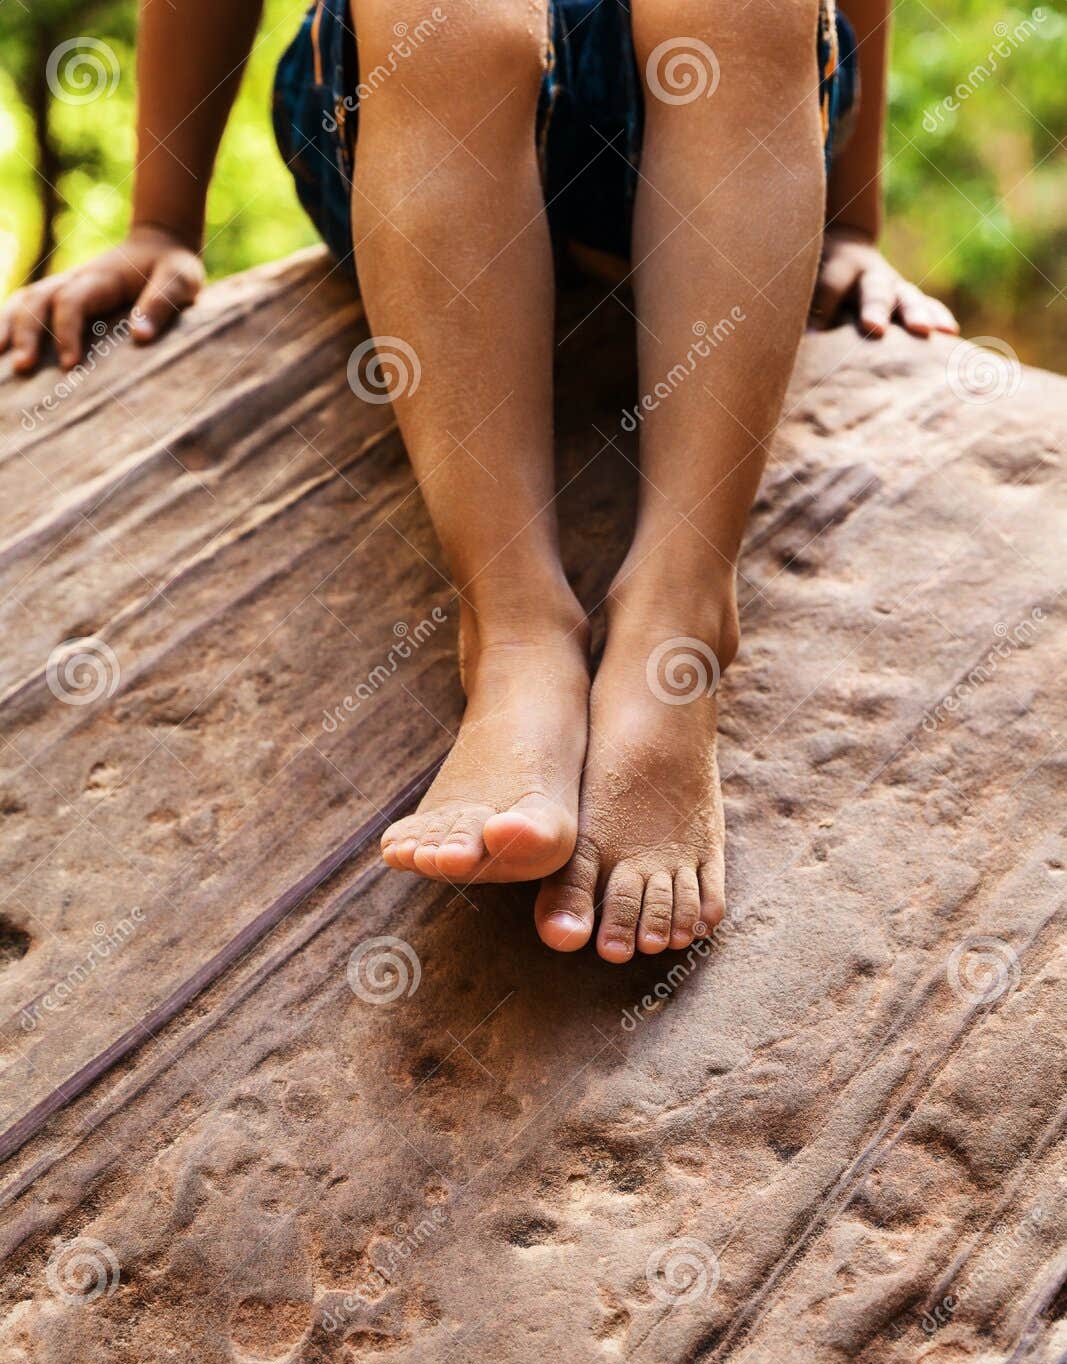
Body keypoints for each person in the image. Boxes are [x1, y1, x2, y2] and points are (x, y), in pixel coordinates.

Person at [0, 0, 957, 963]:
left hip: (729, 115)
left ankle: (681, 618)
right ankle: (513, 636)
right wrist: (161, 219)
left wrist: (847, 223)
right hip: (407, 111)